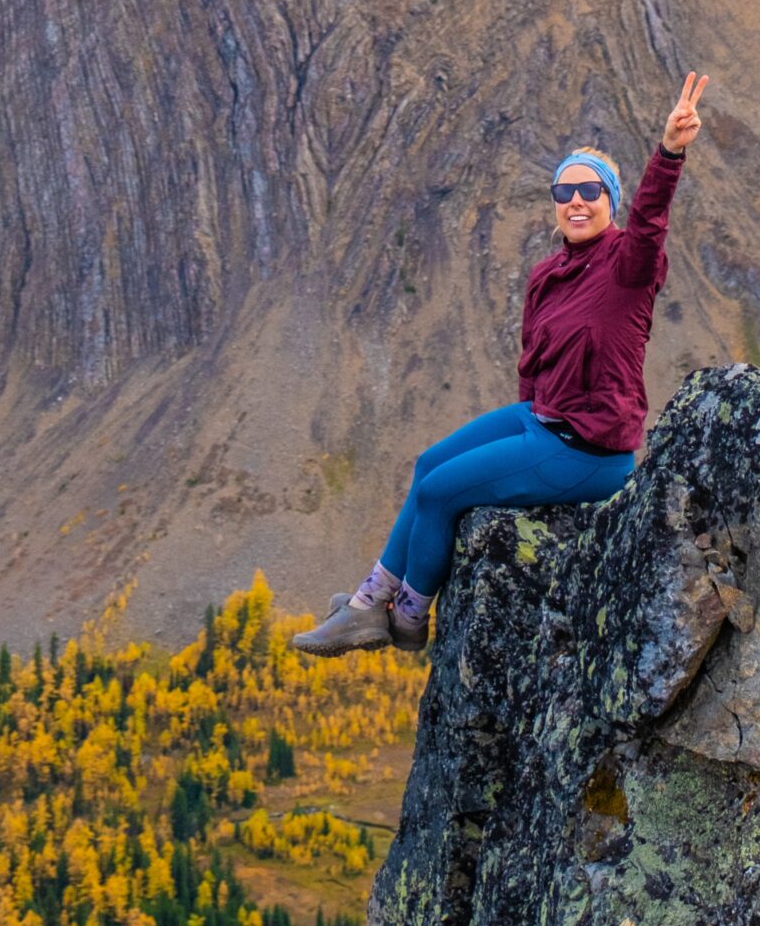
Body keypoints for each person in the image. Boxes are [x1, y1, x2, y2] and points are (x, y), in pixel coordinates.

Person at [293, 70, 709, 656]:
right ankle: (373, 595)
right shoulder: (548, 273)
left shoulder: (627, 265)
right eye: (564, 193)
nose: (576, 202)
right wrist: (519, 433)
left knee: (440, 493)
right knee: (428, 463)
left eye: (591, 191)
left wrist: (668, 153)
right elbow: (532, 364)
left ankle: (401, 616)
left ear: (610, 202)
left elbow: (650, 224)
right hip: (541, 419)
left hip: (589, 451)